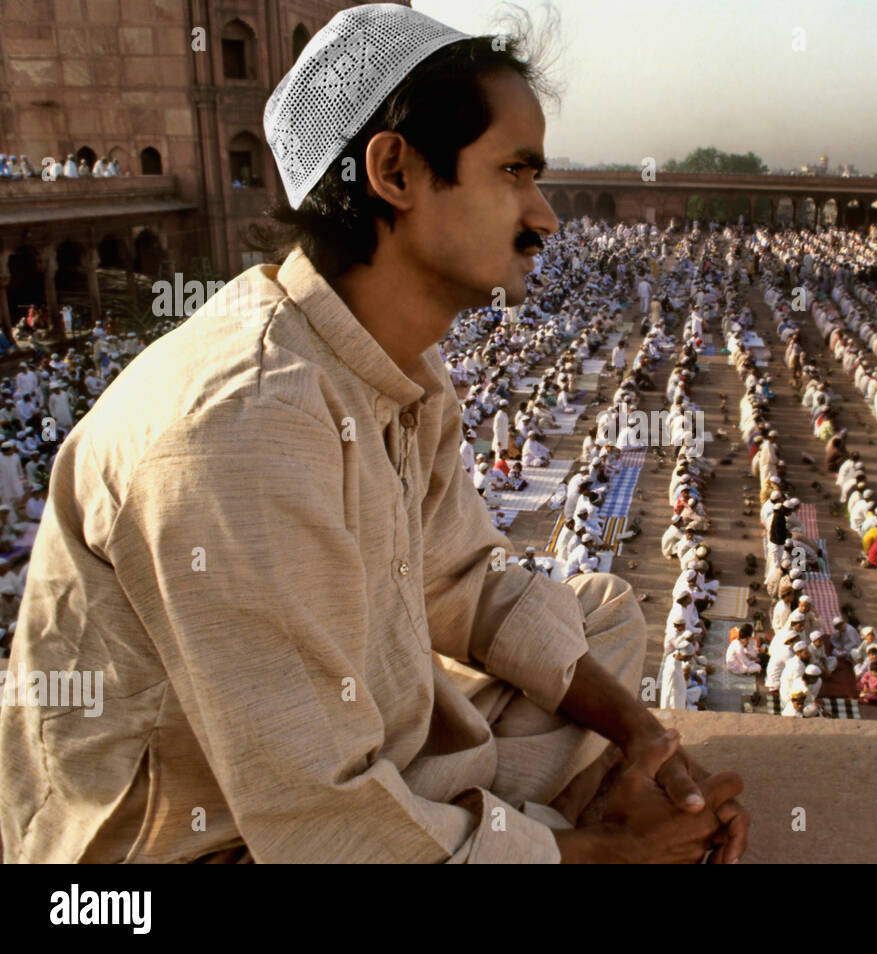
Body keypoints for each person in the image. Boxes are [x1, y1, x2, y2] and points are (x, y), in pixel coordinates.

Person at [0, 5, 747, 865]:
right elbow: (320, 817)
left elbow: (468, 583)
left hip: (357, 741)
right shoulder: (241, 428)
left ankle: (504, 827)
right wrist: (605, 854)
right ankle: (525, 834)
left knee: (602, 617)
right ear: (395, 170)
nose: (544, 217)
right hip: (211, 838)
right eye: (514, 172)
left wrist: (651, 743)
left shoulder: (391, 368)